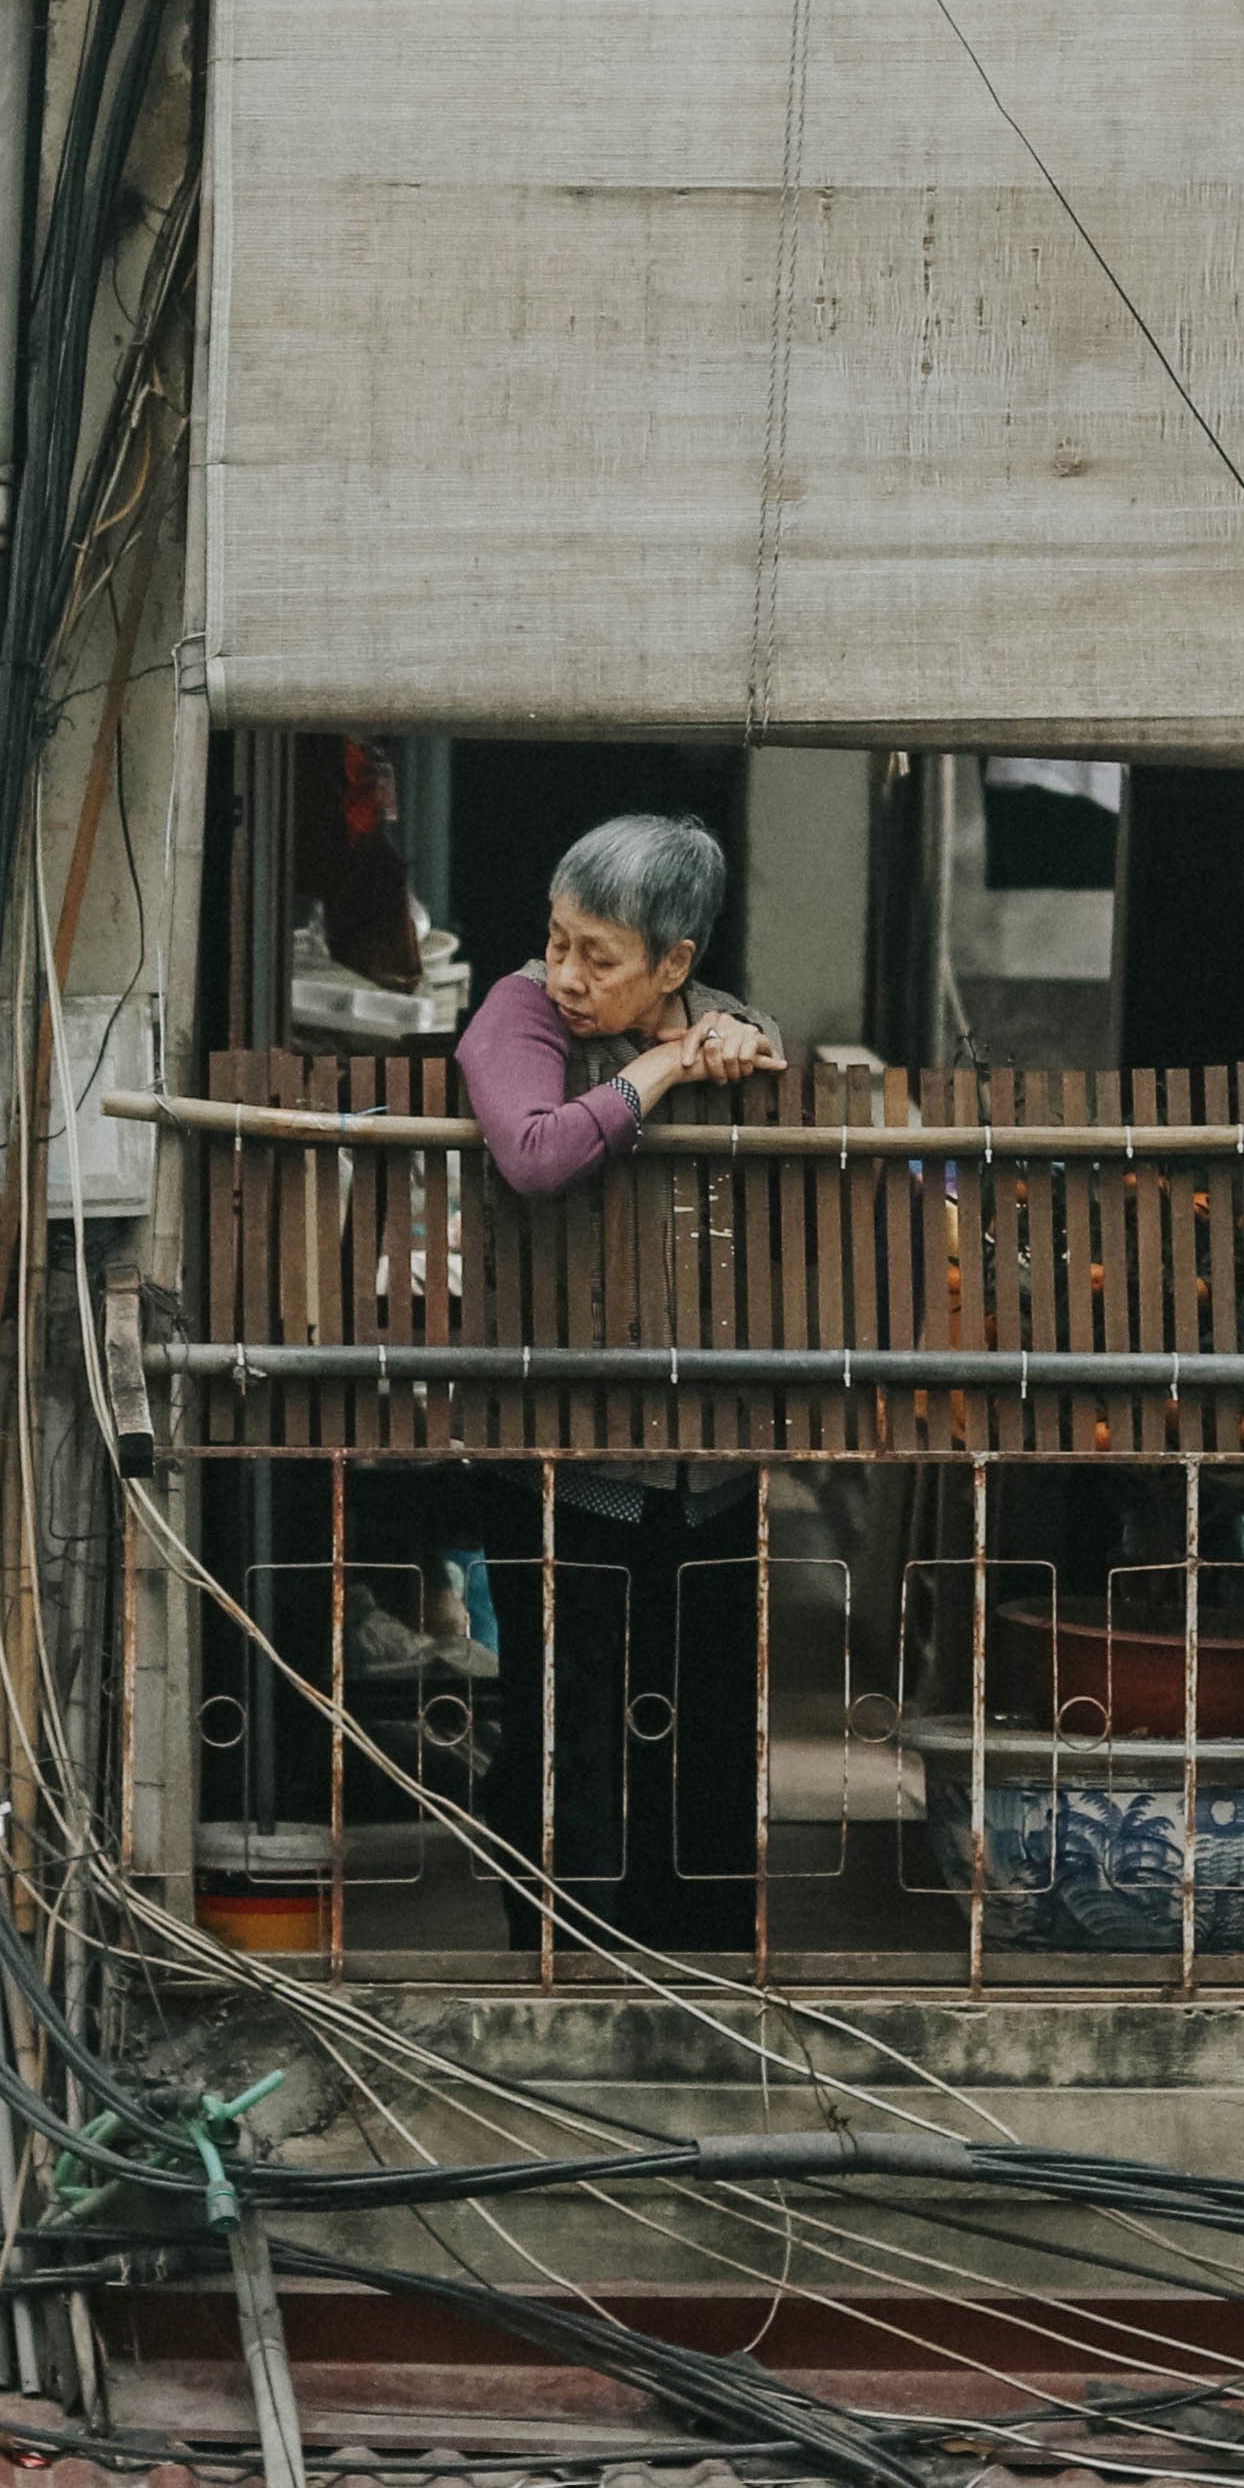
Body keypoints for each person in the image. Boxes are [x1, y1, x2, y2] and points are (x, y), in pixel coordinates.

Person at [448, 814, 784, 1949]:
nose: (567, 974)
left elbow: (771, 1094)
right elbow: (534, 1150)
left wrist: (736, 1040)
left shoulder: (725, 1020)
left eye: (601, 956)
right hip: (565, 1452)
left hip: (709, 1463)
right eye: (559, 940)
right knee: (567, 1723)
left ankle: (700, 1962)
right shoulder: (518, 1012)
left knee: (706, 1721)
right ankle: (566, 1962)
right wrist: (655, 1069)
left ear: (676, 964)